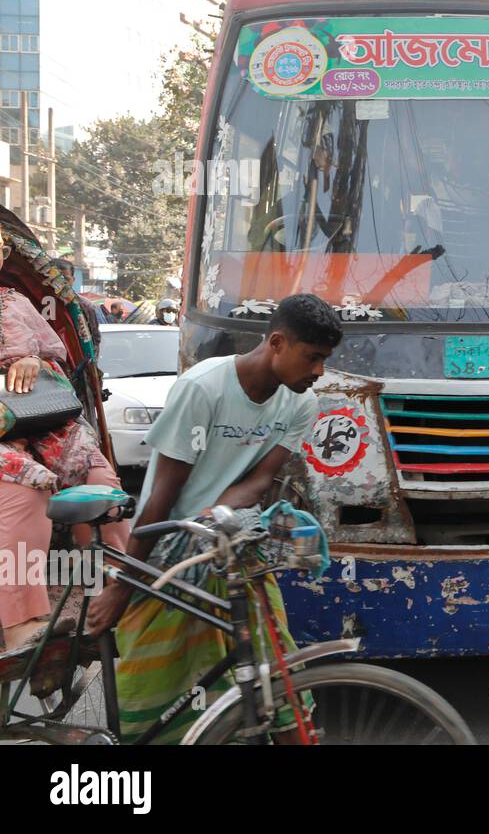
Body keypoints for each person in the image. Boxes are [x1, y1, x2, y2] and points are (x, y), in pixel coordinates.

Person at [85, 293, 341, 742]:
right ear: (277, 342)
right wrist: (124, 586)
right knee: (158, 682)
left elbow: (261, 480)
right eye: (313, 357)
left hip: (231, 538)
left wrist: (217, 515)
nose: (319, 371)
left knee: (275, 668)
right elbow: (161, 497)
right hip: (171, 544)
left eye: (324, 359)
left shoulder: (301, 405)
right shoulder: (203, 388)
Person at [0, 232, 127, 653]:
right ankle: (20, 621)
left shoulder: (15, 302)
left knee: (100, 481)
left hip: (40, 422)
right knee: (25, 489)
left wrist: (34, 359)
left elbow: (59, 364)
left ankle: (123, 591)